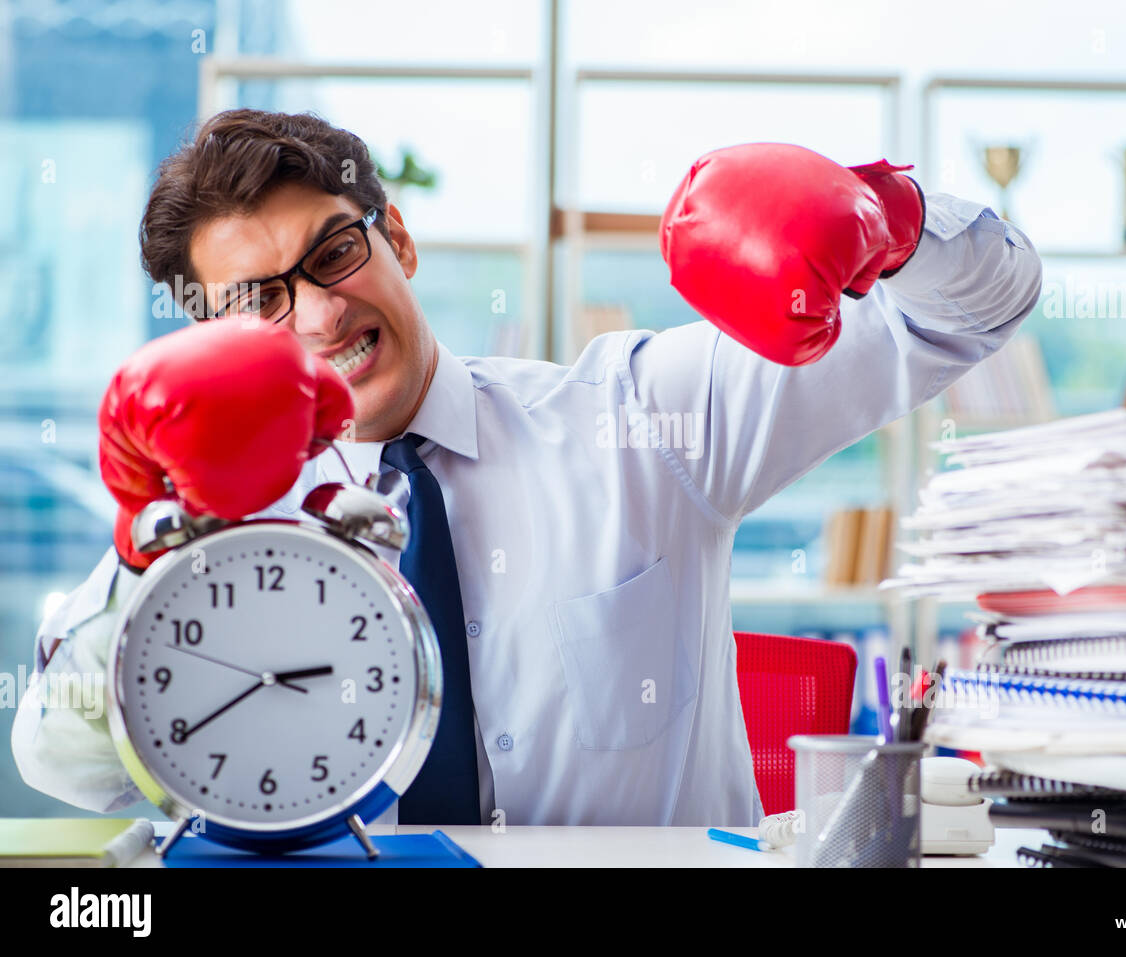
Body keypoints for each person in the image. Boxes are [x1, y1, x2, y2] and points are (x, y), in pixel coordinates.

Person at [11, 109, 1042, 826]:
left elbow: (972, 314)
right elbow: (61, 762)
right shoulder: (216, 532)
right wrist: (158, 530)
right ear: (206, 337)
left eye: (333, 255)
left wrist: (889, 220)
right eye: (256, 300)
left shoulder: (642, 420)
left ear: (397, 239)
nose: (321, 314)